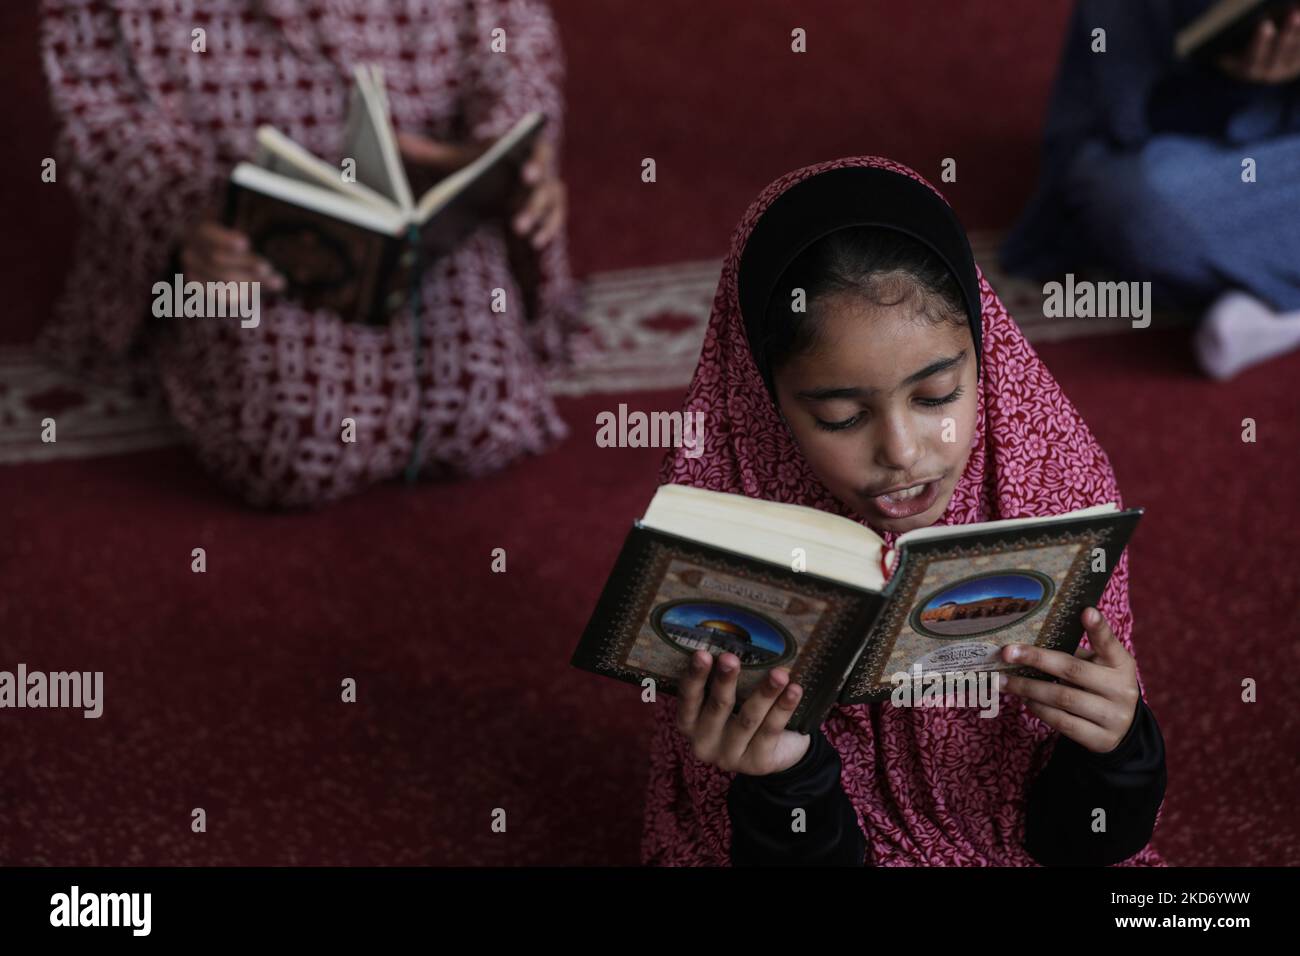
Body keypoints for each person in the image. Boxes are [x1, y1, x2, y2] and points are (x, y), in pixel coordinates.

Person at [640, 156, 1168, 866]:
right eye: (840, 415)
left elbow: (1088, 842)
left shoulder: (1052, 481)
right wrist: (784, 777)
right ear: (766, 405)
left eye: (937, 396)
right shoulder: (727, 516)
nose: (901, 450)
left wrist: (1119, 746)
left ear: (987, 360)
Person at [39, 0, 581, 506]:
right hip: (236, 210)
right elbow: (104, 110)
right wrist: (184, 221)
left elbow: (512, 39)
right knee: (295, 437)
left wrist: (505, 154)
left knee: (485, 411)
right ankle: (170, 331)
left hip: (426, 184)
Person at [1001, 0, 1300, 380]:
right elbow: (1125, 121)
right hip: (1192, 159)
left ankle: (1277, 286)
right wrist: (1233, 85)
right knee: (1141, 210)